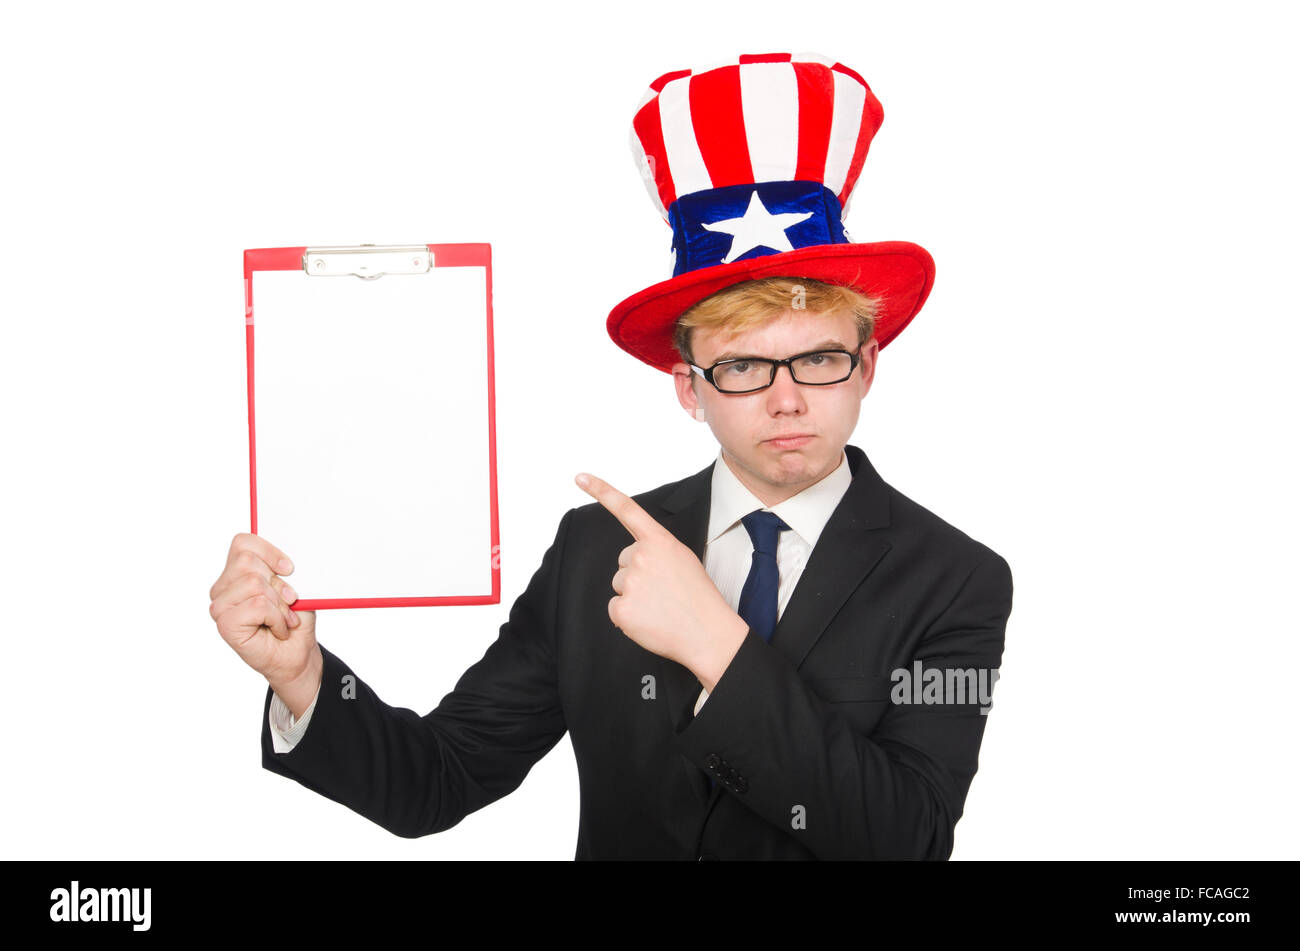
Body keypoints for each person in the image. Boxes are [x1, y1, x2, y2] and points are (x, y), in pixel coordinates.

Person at [209, 53, 1014, 860]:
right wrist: (305, 678)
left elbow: (909, 838)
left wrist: (715, 645)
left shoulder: (959, 578)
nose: (788, 399)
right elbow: (439, 778)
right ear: (687, 387)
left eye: (818, 358)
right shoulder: (594, 550)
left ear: (866, 366)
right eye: (741, 367)